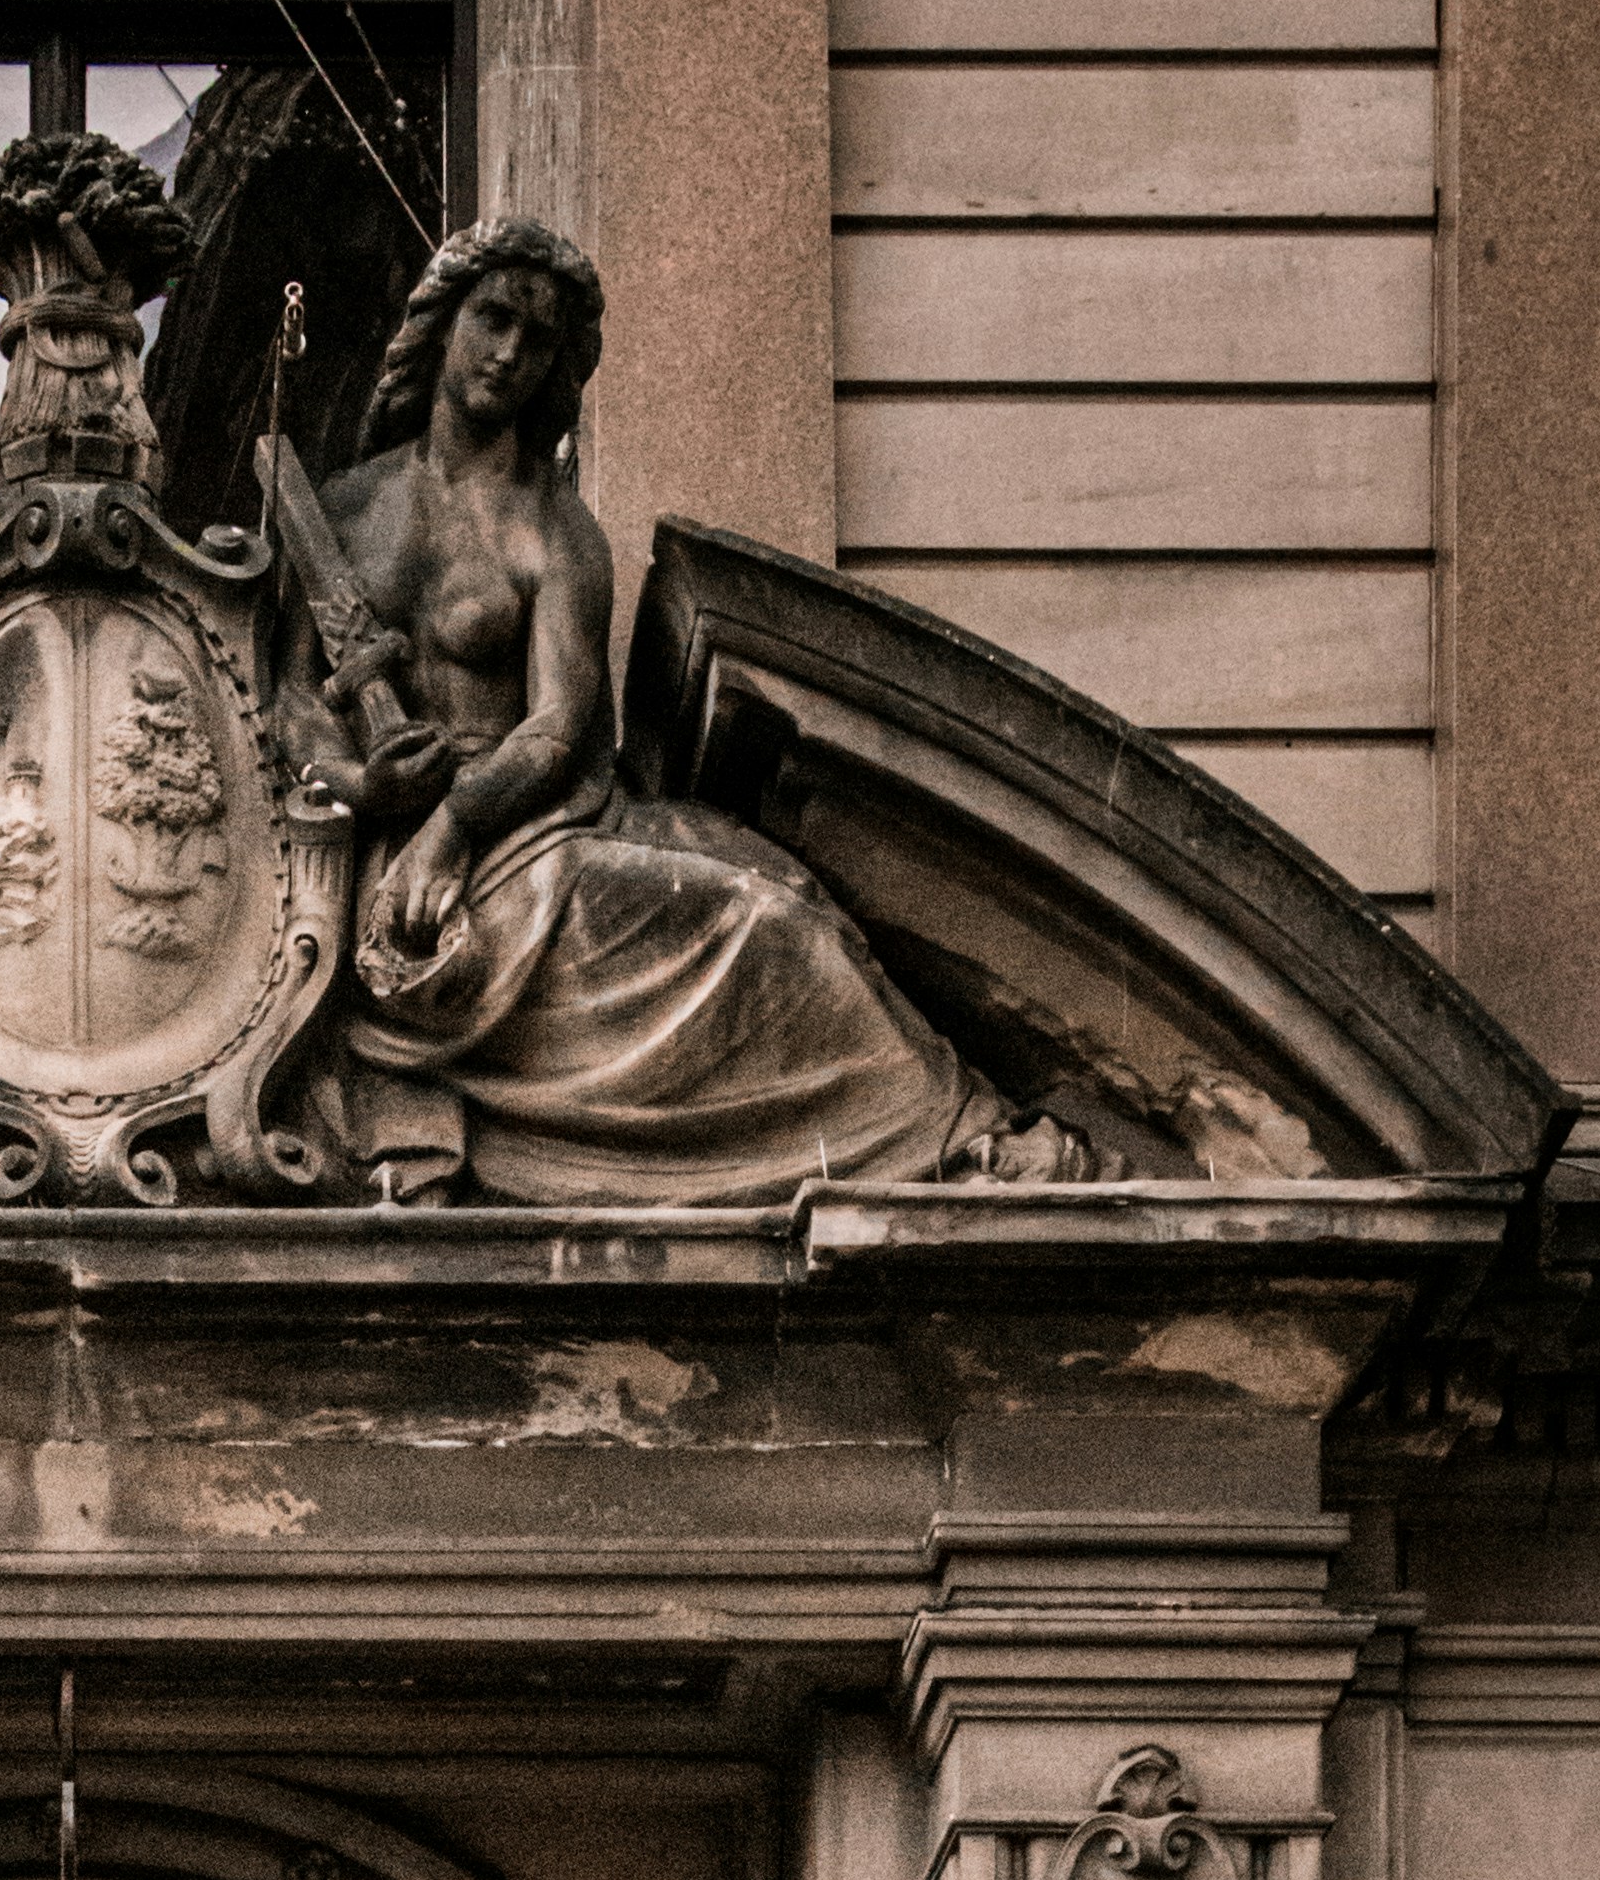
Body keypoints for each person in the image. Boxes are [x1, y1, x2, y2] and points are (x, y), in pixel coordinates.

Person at [282, 216, 1094, 1203]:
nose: (507, 353)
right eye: (490, 318)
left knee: (781, 911)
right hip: (370, 870)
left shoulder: (556, 530)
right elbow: (286, 705)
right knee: (760, 921)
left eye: (535, 340)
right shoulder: (340, 508)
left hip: (516, 839)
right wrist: (362, 780)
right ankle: (952, 1141)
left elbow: (555, 726)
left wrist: (452, 826)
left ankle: (954, 1138)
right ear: (439, 322)